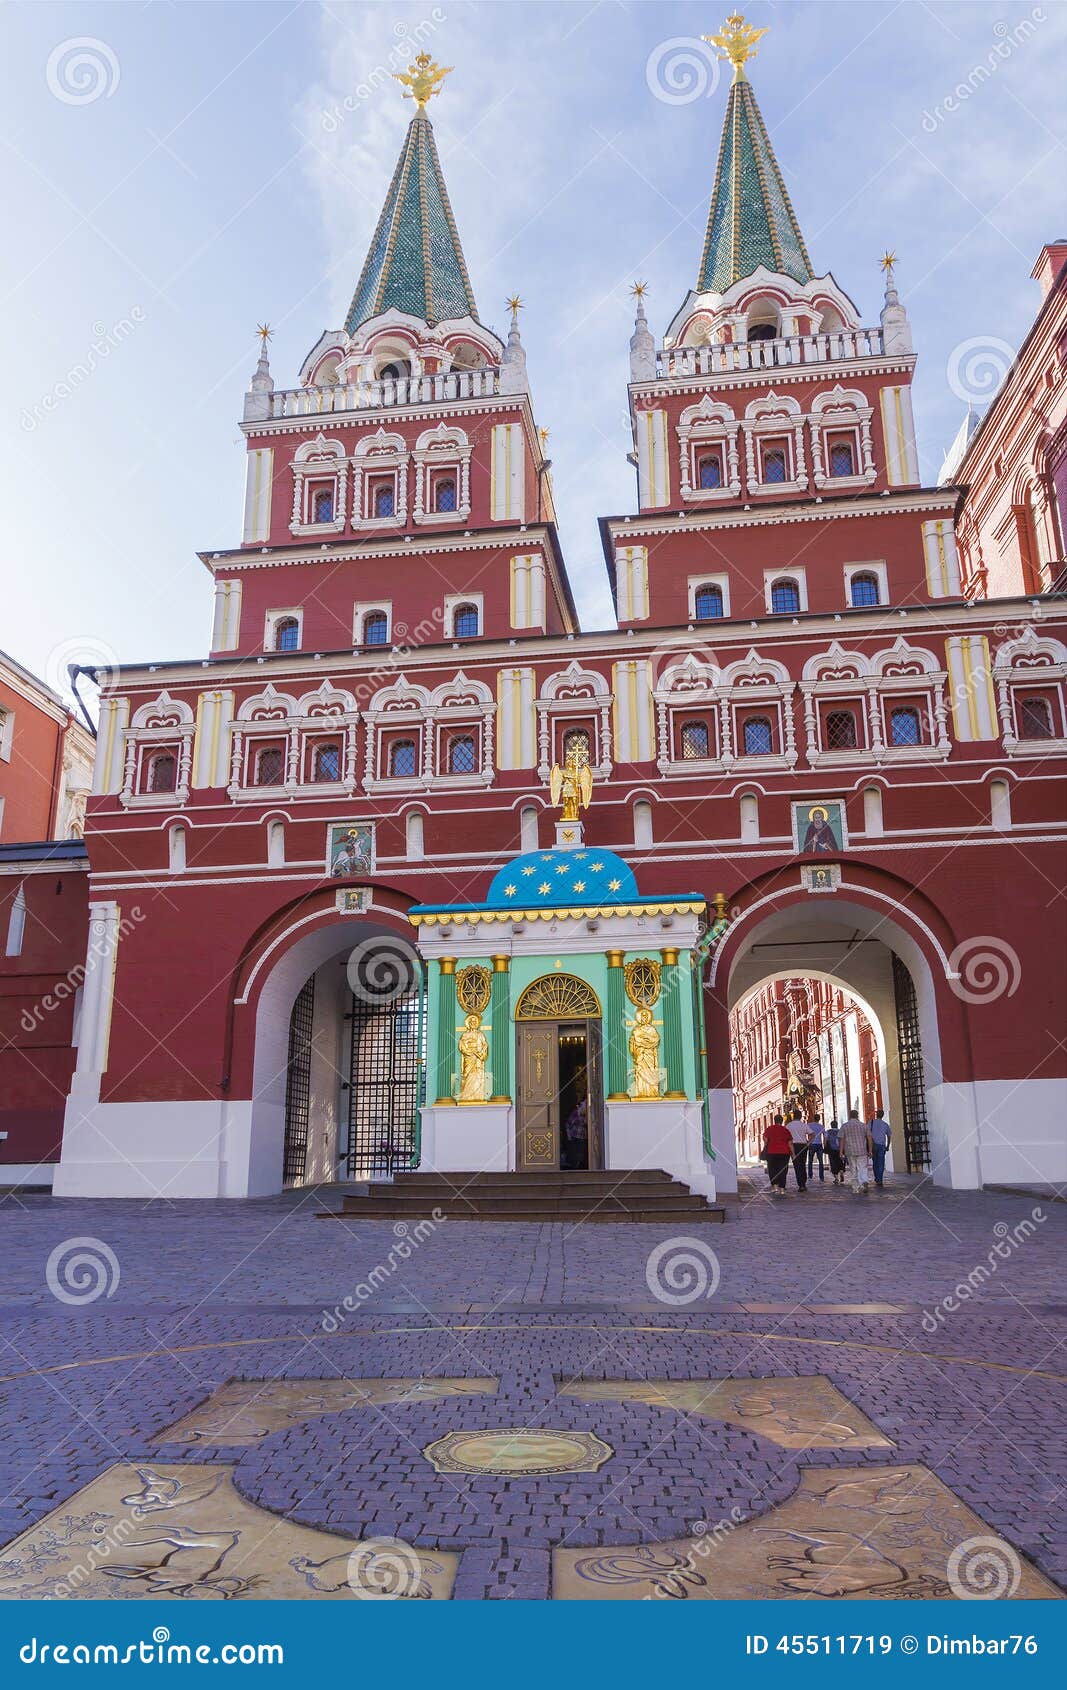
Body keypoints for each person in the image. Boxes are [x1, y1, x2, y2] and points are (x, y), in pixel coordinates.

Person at [840, 1108, 872, 1194]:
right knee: (863, 1167)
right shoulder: (864, 1125)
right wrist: (870, 1150)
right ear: (857, 1116)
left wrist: (840, 1152)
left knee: (853, 1169)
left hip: (850, 1151)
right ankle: (864, 1181)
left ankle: (855, 1188)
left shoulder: (844, 1126)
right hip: (862, 1150)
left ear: (850, 1116)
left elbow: (842, 1139)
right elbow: (869, 1138)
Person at [762, 1115, 793, 1198]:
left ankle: (775, 1187)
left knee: (772, 1170)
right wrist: (793, 1154)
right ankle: (782, 1189)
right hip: (784, 1153)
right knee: (783, 1170)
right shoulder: (785, 1130)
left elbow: (765, 1139)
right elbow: (790, 1143)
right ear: (782, 1121)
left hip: (771, 1152)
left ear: (774, 1120)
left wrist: (766, 1145)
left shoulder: (769, 1129)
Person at [867, 1109, 891, 1187]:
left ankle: (877, 1178)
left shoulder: (871, 1122)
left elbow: (867, 1133)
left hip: (873, 1145)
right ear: (883, 1115)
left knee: (875, 1162)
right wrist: (887, 1146)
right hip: (882, 1145)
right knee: (881, 1163)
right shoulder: (885, 1124)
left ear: (877, 1115)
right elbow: (889, 1135)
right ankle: (880, 1180)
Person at [789, 1112, 808, 1192]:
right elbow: (812, 1134)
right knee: (802, 1165)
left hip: (793, 1146)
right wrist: (808, 1143)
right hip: (803, 1146)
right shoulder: (803, 1125)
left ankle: (801, 1185)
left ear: (793, 1116)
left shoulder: (789, 1125)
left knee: (797, 1166)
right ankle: (803, 1183)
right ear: (800, 1117)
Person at [806, 1117, 825, 1183]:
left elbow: (805, 1133)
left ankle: (810, 1175)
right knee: (821, 1162)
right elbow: (825, 1137)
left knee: (810, 1161)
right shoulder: (821, 1126)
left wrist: (807, 1142)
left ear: (813, 1119)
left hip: (811, 1144)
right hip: (819, 1144)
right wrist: (824, 1146)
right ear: (819, 1119)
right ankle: (821, 1177)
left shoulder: (809, 1125)